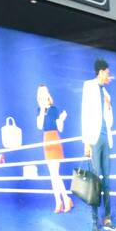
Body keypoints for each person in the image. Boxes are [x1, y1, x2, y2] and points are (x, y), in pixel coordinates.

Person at [81, 58, 115, 231]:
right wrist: (86, 142)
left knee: (107, 181)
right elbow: (85, 115)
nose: (108, 76)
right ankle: (94, 224)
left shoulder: (106, 93)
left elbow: (110, 121)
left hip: (105, 139)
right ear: (101, 72)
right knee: (95, 182)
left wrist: (108, 108)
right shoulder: (89, 86)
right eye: (107, 72)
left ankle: (107, 219)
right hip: (93, 140)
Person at [36, 84, 72, 214]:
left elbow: (60, 128)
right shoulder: (39, 110)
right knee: (53, 176)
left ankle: (64, 200)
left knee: (55, 174)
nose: (43, 95)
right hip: (46, 140)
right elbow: (40, 126)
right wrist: (41, 110)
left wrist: (61, 119)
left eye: (45, 92)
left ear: (48, 93)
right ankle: (61, 200)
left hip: (55, 139)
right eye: (41, 93)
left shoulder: (54, 109)